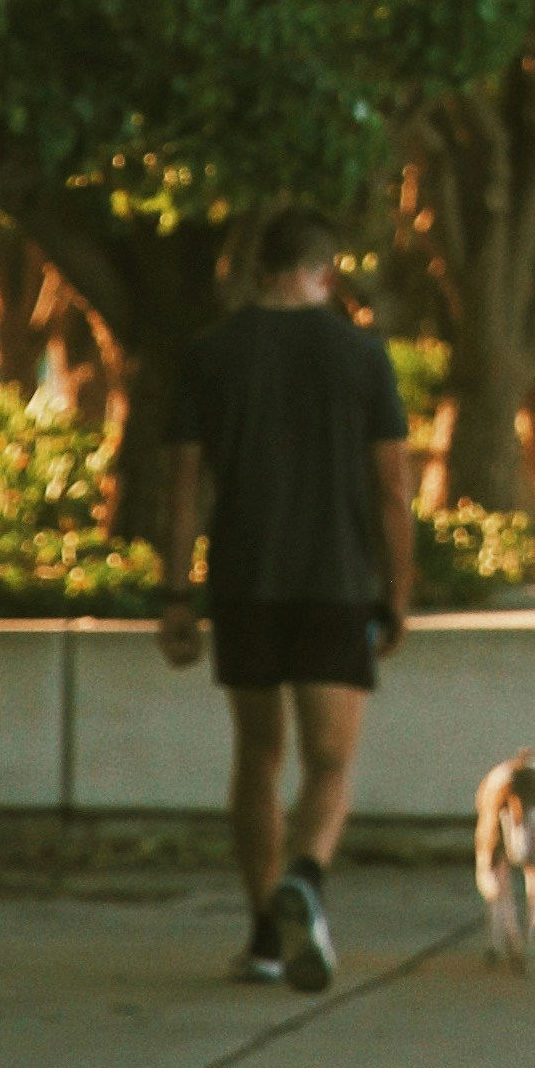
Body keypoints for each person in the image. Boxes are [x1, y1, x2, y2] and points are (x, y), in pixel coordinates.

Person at [159, 205, 416, 992]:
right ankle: (306, 875)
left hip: (246, 582)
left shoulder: (210, 355)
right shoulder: (361, 356)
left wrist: (175, 593)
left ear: (255, 267)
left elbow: (182, 490)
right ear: (326, 271)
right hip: (337, 583)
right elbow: (393, 491)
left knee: (258, 758)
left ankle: (266, 935)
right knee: (330, 760)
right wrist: (398, 594)